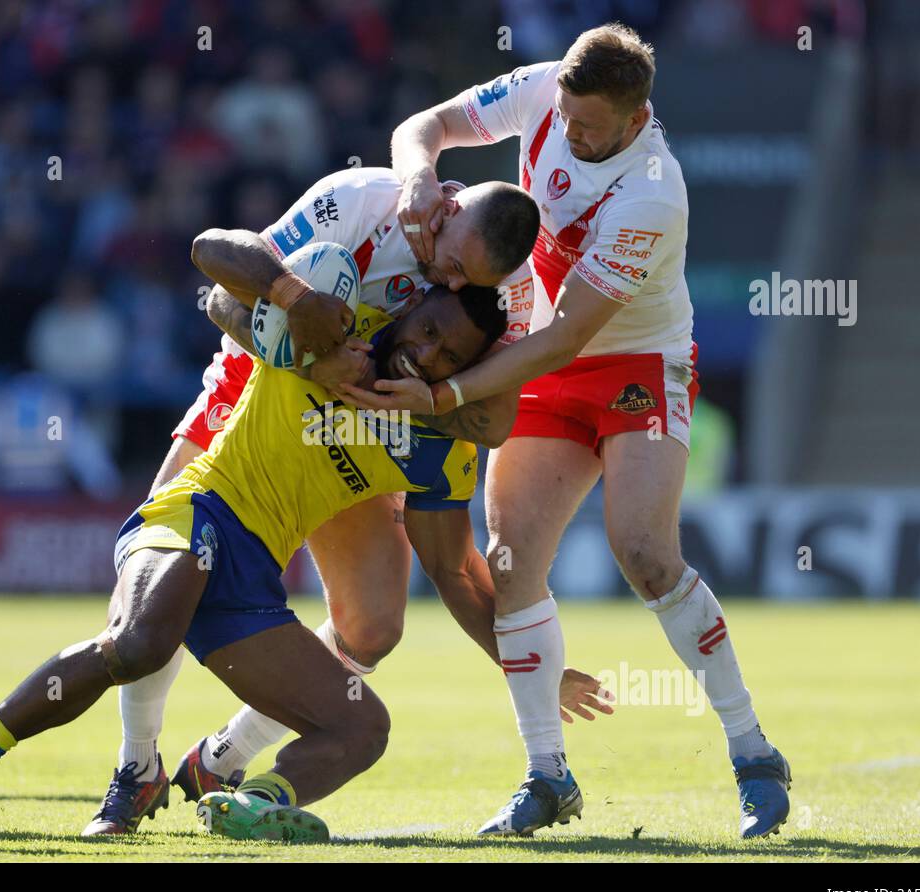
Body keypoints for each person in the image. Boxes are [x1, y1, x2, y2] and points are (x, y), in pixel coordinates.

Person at [0, 271, 578, 843]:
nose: (426, 354)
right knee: (138, 642)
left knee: (363, 726)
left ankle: (252, 803)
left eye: (449, 356)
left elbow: (455, 573)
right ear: (408, 306)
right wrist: (286, 300)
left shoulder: (440, 449)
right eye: (427, 329)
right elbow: (217, 268)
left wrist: (526, 665)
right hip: (195, 513)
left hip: (252, 580)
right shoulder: (333, 324)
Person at [346, 22, 790, 838]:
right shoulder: (548, 87)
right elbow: (427, 127)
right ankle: (547, 776)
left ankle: (752, 750)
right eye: (568, 117)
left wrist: (443, 405)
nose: (571, 133)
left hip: (631, 364)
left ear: (636, 117)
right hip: (545, 358)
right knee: (512, 566)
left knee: (647, 555)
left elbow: (566, 337)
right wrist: (417, 178)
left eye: (590, 127)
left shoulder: (652, 191)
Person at [77, 166, 581, 837]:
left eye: (470, 284)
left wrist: (432, 398)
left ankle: (223, 759)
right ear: (448, 208)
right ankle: (137, 768)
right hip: (265, 386)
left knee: (373, 627)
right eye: (454, 265)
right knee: (156, 586)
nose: (454, 285)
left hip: (362, 426)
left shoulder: (512, 293)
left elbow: (491, 423)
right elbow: (222, 299)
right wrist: (306, 352)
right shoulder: (362, 202)